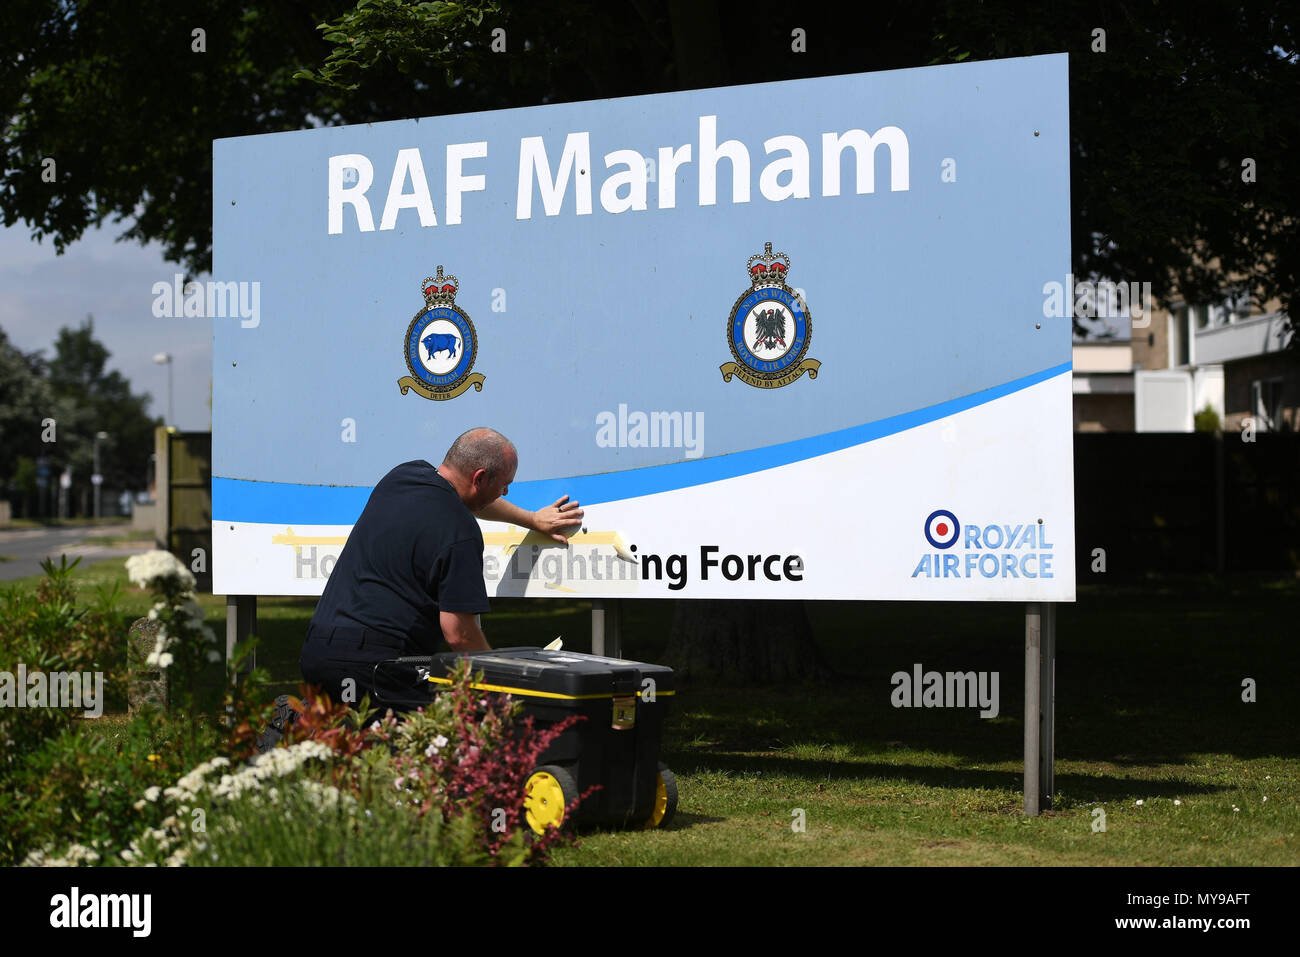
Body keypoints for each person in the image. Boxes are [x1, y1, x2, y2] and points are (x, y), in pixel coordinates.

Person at [298, 427, 582, 707]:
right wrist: (501, 685)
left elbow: (470, 497)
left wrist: (531, 519)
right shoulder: (461, 533)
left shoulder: (403, 477)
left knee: (333, 746)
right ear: (480, 477)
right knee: (429, 742)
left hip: (318, 651)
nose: (505, 491)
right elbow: (459, 634)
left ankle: (292, 731)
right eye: (504, 484)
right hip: (377, 667)